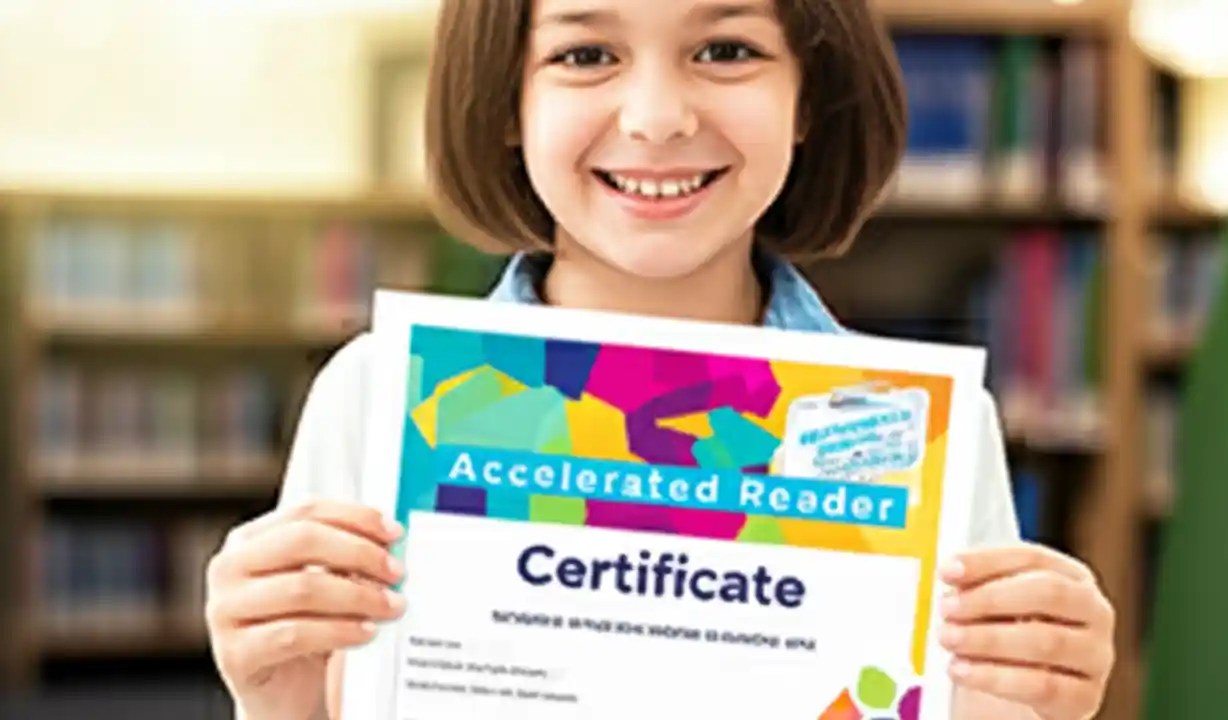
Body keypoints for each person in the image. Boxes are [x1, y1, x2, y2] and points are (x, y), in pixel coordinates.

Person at [203, 0, 1116, 718]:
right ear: (506, 103)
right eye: (585, 54)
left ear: (811, 97)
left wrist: (1011, 709)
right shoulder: (376, 400)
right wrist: (275, 703)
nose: (656, 118)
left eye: (725, 50)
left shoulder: (923, 443)